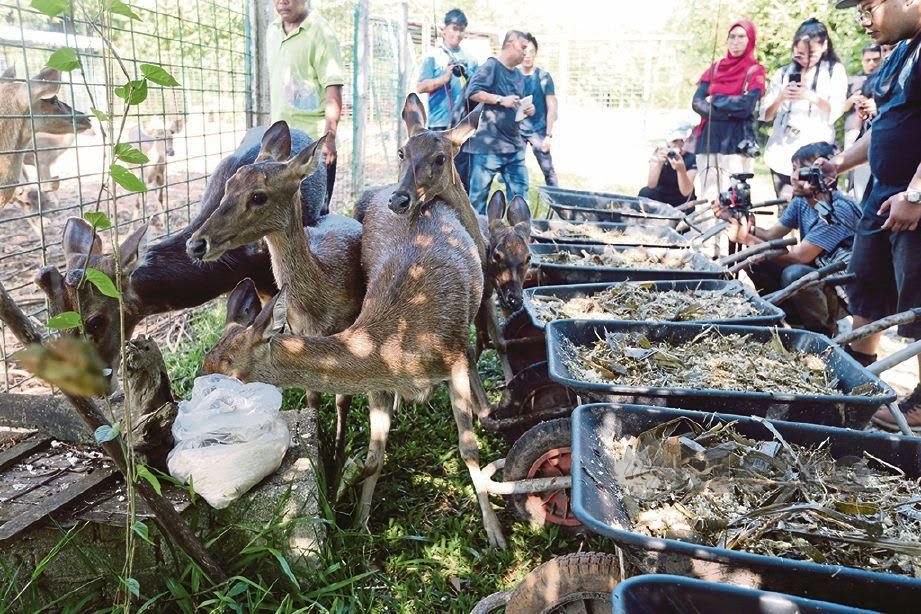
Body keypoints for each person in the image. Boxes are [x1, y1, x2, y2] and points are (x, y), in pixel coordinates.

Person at [827, 0, 921, 431]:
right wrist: (838, 163)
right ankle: (858, 381)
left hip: (912, 201)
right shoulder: (902, 51)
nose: (864, 21)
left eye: (869, 7)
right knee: (866, 288)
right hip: (882, 193)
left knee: (917, 305)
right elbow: (887, 125)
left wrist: (916, 193)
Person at [723, 142, 861, 337]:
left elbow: (799, 257)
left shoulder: (839, 209)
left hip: (842, 289)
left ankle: (821, 332)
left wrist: (746, 239)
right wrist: (735, 220)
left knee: (794, 273)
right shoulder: (802, 201)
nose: (794, 177)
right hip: (817, 274)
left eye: (803, 172)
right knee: (755, 260)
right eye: (794, 169)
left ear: (826, 177)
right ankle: (788, 318)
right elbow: (771, 236)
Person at [267, 0, 345, 213]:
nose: (282, 1)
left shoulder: (321, 32)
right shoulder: (272, 31)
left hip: (312, 147)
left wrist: (328, 140)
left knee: (314, 215)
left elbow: (333, 87)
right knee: (281, 215)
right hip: (281, 144)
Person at [761, 18, 848, 201]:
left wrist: (810, 96)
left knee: (815, 204)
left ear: (824, 46)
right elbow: (766, 115)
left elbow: (837, 110)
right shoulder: (783, 73)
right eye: (800, 54)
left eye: (812, 54)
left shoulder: (834, 71)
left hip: (815, 152)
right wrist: (781, 97)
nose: (806, 60)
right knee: (785, 206)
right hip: (781, 150)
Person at [691, 19, 767, 200]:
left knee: (734, 198)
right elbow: (697, 103)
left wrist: (716, 99)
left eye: (741, 37)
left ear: (750, 40)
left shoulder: (755, 71)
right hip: (709, 139)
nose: (735, 41)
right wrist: (730, 111)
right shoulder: (716, 68)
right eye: (732, 37)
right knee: (709, 197)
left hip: (736, 141)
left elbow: (746, 107)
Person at [463, 30, 534, 214]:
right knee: (477, 200)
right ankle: (476, 231)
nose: (525, 52)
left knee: (520, 197)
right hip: (488, 148)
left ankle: (519, 230)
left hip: (514, 146)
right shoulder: (491, 66)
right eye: (523, 47)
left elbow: (519, 103)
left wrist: (528, 109)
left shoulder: (519, 76)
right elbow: (473, 92)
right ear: (510, 43)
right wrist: (500, 99)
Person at [416, 9, 478, 132]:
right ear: (444, 30)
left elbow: (478, 88)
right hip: (439, 123)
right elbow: (420, 87)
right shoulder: (432, 57)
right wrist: (443, 79)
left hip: (464, 123)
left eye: (461, 30)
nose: (458, 34)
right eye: (454, 28)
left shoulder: (471, 59)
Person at [843, 45, 882, 201]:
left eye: (875, 59)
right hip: (855, 132)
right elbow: (841, 108)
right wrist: (853, 100)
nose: (872, 63)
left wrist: (877, 107)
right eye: (868, 60)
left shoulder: (885, 78)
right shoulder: (854, 80)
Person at [519, 34, 558, 187]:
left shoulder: (543, 77)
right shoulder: (513, 75)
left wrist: (548, 135)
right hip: (517, 131)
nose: (527, 56)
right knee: (515, 171)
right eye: (524, 52)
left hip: (538, 130)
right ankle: (518, 198)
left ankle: (556, 198)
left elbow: (551, 106)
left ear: (536, 53)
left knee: (548, 170)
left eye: (531, 52)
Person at [640, 126, 697, 206]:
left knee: (688, 198)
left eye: (682, 141)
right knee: (645, 192)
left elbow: (686, 192)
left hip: (681, 198)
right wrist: (659, 164)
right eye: (675, 141)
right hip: (661, 194)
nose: (680, 145)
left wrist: (681, 171)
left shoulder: (691, 158)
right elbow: (651, 185)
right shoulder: (659, 153)